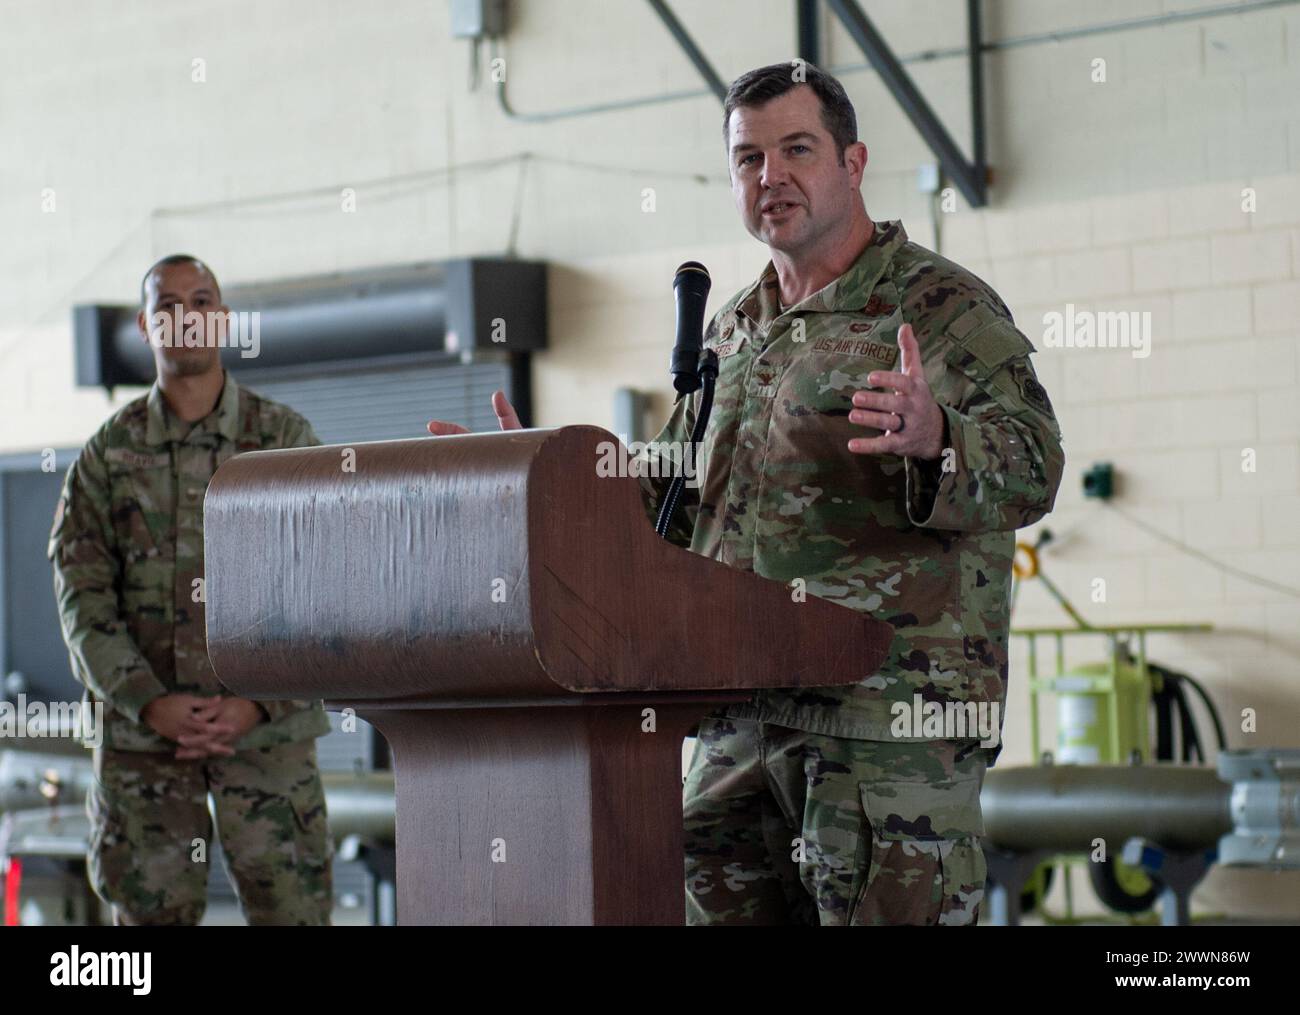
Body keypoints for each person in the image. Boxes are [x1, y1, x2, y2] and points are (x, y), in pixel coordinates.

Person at [429, 62, 1064, 926]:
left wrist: (936, 436)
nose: (771, 177)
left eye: (796, 149)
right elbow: (675, 487)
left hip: (881, 735)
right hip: (734, 723)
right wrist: (533, 474)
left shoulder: (938, 306)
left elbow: (1034, 462)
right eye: (747, 159)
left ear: (853, 161)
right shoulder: (733, 329)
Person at [50, 254, 334, 925]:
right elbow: (81, 594)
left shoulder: (282, 442)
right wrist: (149, 702)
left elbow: (328, 581)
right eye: (169, 304)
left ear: (225, 321)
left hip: (269, 738)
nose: (188, 316)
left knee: (293, 915)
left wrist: (257, 703)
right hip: (146, 747)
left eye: (202, 300)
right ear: (147, 326)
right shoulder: (109, 453)